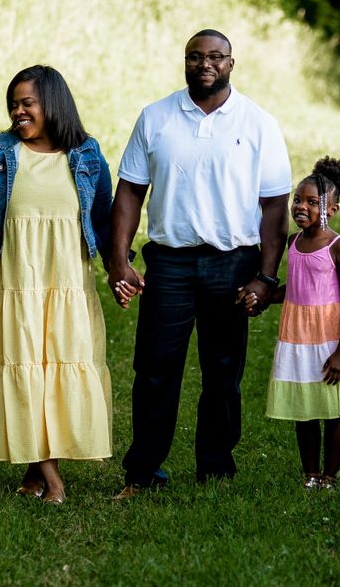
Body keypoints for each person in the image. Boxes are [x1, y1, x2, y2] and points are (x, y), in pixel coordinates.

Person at [108, 29, 292, 497]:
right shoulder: (156, 117)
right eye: (195, 56)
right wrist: (119, 259)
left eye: (215, 56)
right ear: (185, 62)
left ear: (231, 63)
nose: (205, 63)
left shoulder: (258, 124)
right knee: (154, 369)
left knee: (223, 371)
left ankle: (215, 468)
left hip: (232, 263)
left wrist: (266, 276)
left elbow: (274, 206)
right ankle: (144, 471)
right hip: (168, 263)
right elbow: (130, 190)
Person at [0, 65, 113, 505]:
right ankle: (53, 480)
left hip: (65, 282)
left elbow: (106, 224)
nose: (17, 112)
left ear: (52, 104)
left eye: (27, 103)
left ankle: (35, 472)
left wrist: (120, 270)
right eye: (13, 104)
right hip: (10, 279)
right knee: (21, 363)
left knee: (55, 367)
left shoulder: (87, 155)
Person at [258, 156, 340, 489]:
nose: (301, 206)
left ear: (332, 209)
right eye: (297, 199)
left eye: (312, 202)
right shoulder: (294, 244)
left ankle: (330, 476)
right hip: (299, 336)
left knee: (334, 410)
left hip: (332, 338)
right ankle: (310, 474)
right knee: (305, 408)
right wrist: (263, 297)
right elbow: (297, 289)